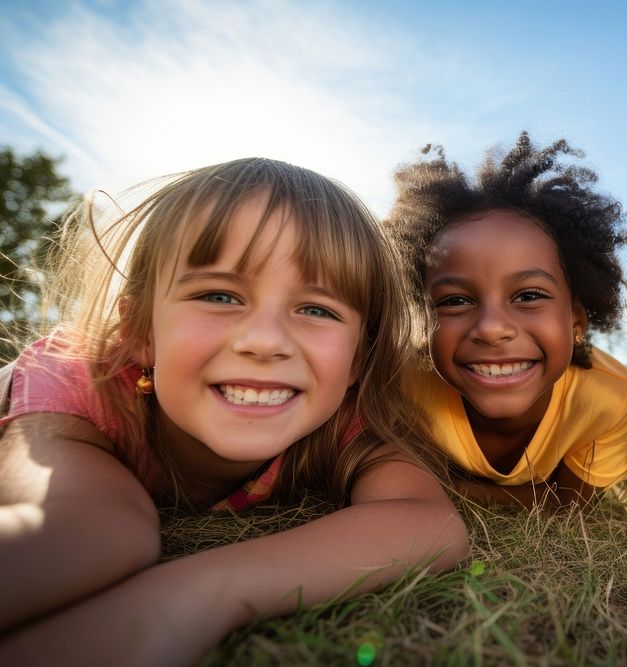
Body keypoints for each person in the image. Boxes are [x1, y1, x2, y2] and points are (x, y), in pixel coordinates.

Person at [0, 158, 469, 664]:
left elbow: (428, 523)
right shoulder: (77, 378)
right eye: (219, 295)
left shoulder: (345, 421)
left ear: (357, 358)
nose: (265, 342)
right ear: (140, 331)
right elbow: (76, 522)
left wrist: (204, 590)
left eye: (316, 309)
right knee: (113, 535)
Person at [384, 132, 627, 507]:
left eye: (528, 296)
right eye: (455, 300)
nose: (491, 328)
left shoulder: (609, 398)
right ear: (423, 318)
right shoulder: (397, 383)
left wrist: (456, 490)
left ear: (576, 320)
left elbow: (571, 503)